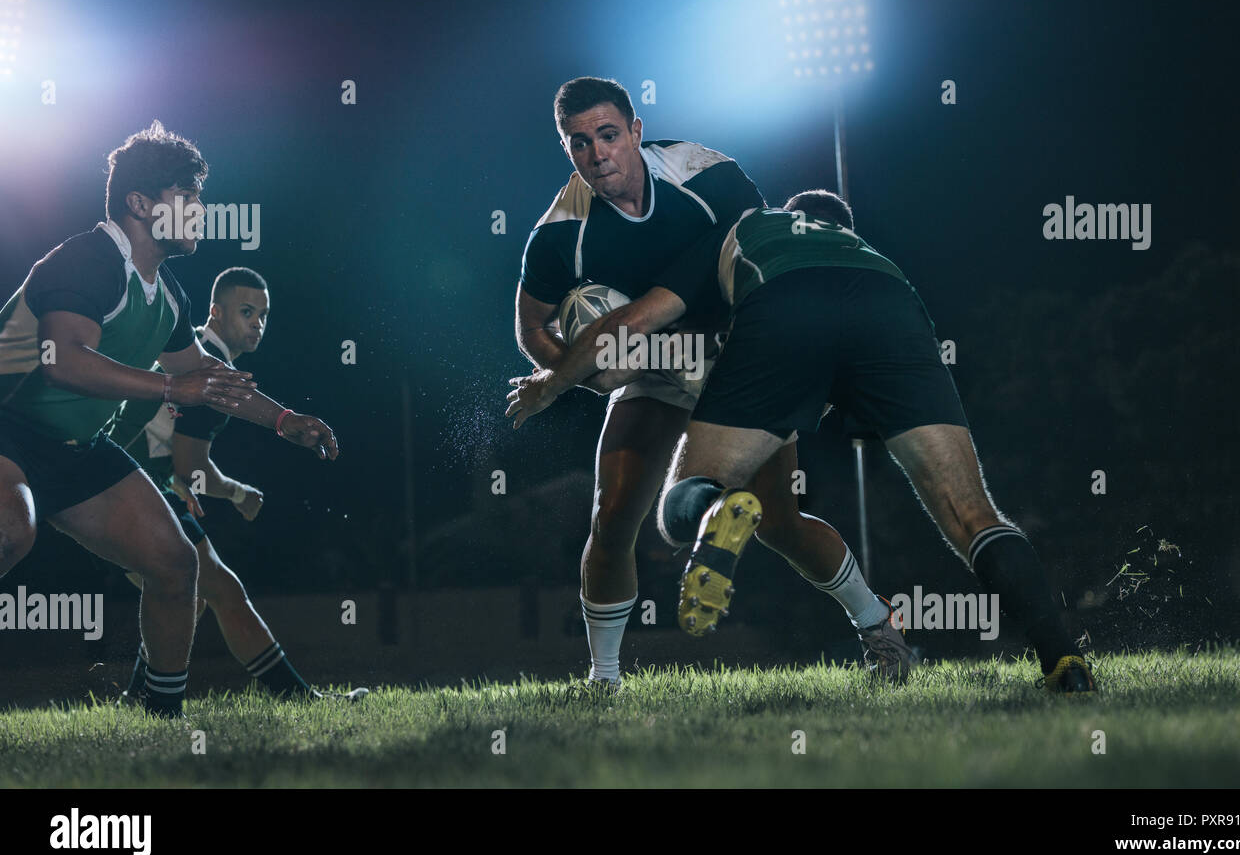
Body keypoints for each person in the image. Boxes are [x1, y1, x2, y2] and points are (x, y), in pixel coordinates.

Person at [508, 191, 1095, 692]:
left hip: (770, 325)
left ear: (790, 213)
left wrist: (554, 382)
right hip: (890, 307)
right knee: (973, 514)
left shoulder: (743, 226)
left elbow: (639, 316)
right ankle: (1061, 658)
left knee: (689, 501)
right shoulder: (867, 252)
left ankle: (715, 510)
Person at [514, 79, 872, 691]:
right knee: (612, 516)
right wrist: (577, 376)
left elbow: (766, 272)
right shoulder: (559, 232)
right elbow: (531, 327)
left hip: (735, 361)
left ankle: (880, 628)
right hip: (651, 371)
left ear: (636, 131)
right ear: (566, 149)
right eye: (579, 143)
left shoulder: (708, 178)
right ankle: (604, 680)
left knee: (781, 521)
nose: (597, 155)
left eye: (607, 136)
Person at [0, 121, 340, 716]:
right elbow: (62, 362)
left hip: (77, 447)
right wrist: (169, 384)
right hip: (8, 427)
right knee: (13, 530)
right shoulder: (88, 259)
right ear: (140, 204)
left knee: (175, 562)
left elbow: (206, 379)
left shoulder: (168, 294)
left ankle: (159, 716)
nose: (202, 212)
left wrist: (285, 421)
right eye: (189, 198)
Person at [110, 266, 366, 702]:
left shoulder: (191, 346)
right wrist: (238, 493)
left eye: (263, 315)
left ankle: (139, 696)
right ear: (215, 312)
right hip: (122, 484)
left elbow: (175, 462)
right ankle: (298, 699)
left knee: (192, 597)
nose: (257, 324)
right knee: (224, 591)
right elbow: (193, 470)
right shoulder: (214, 376)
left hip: (125, 476)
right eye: (247, 312)